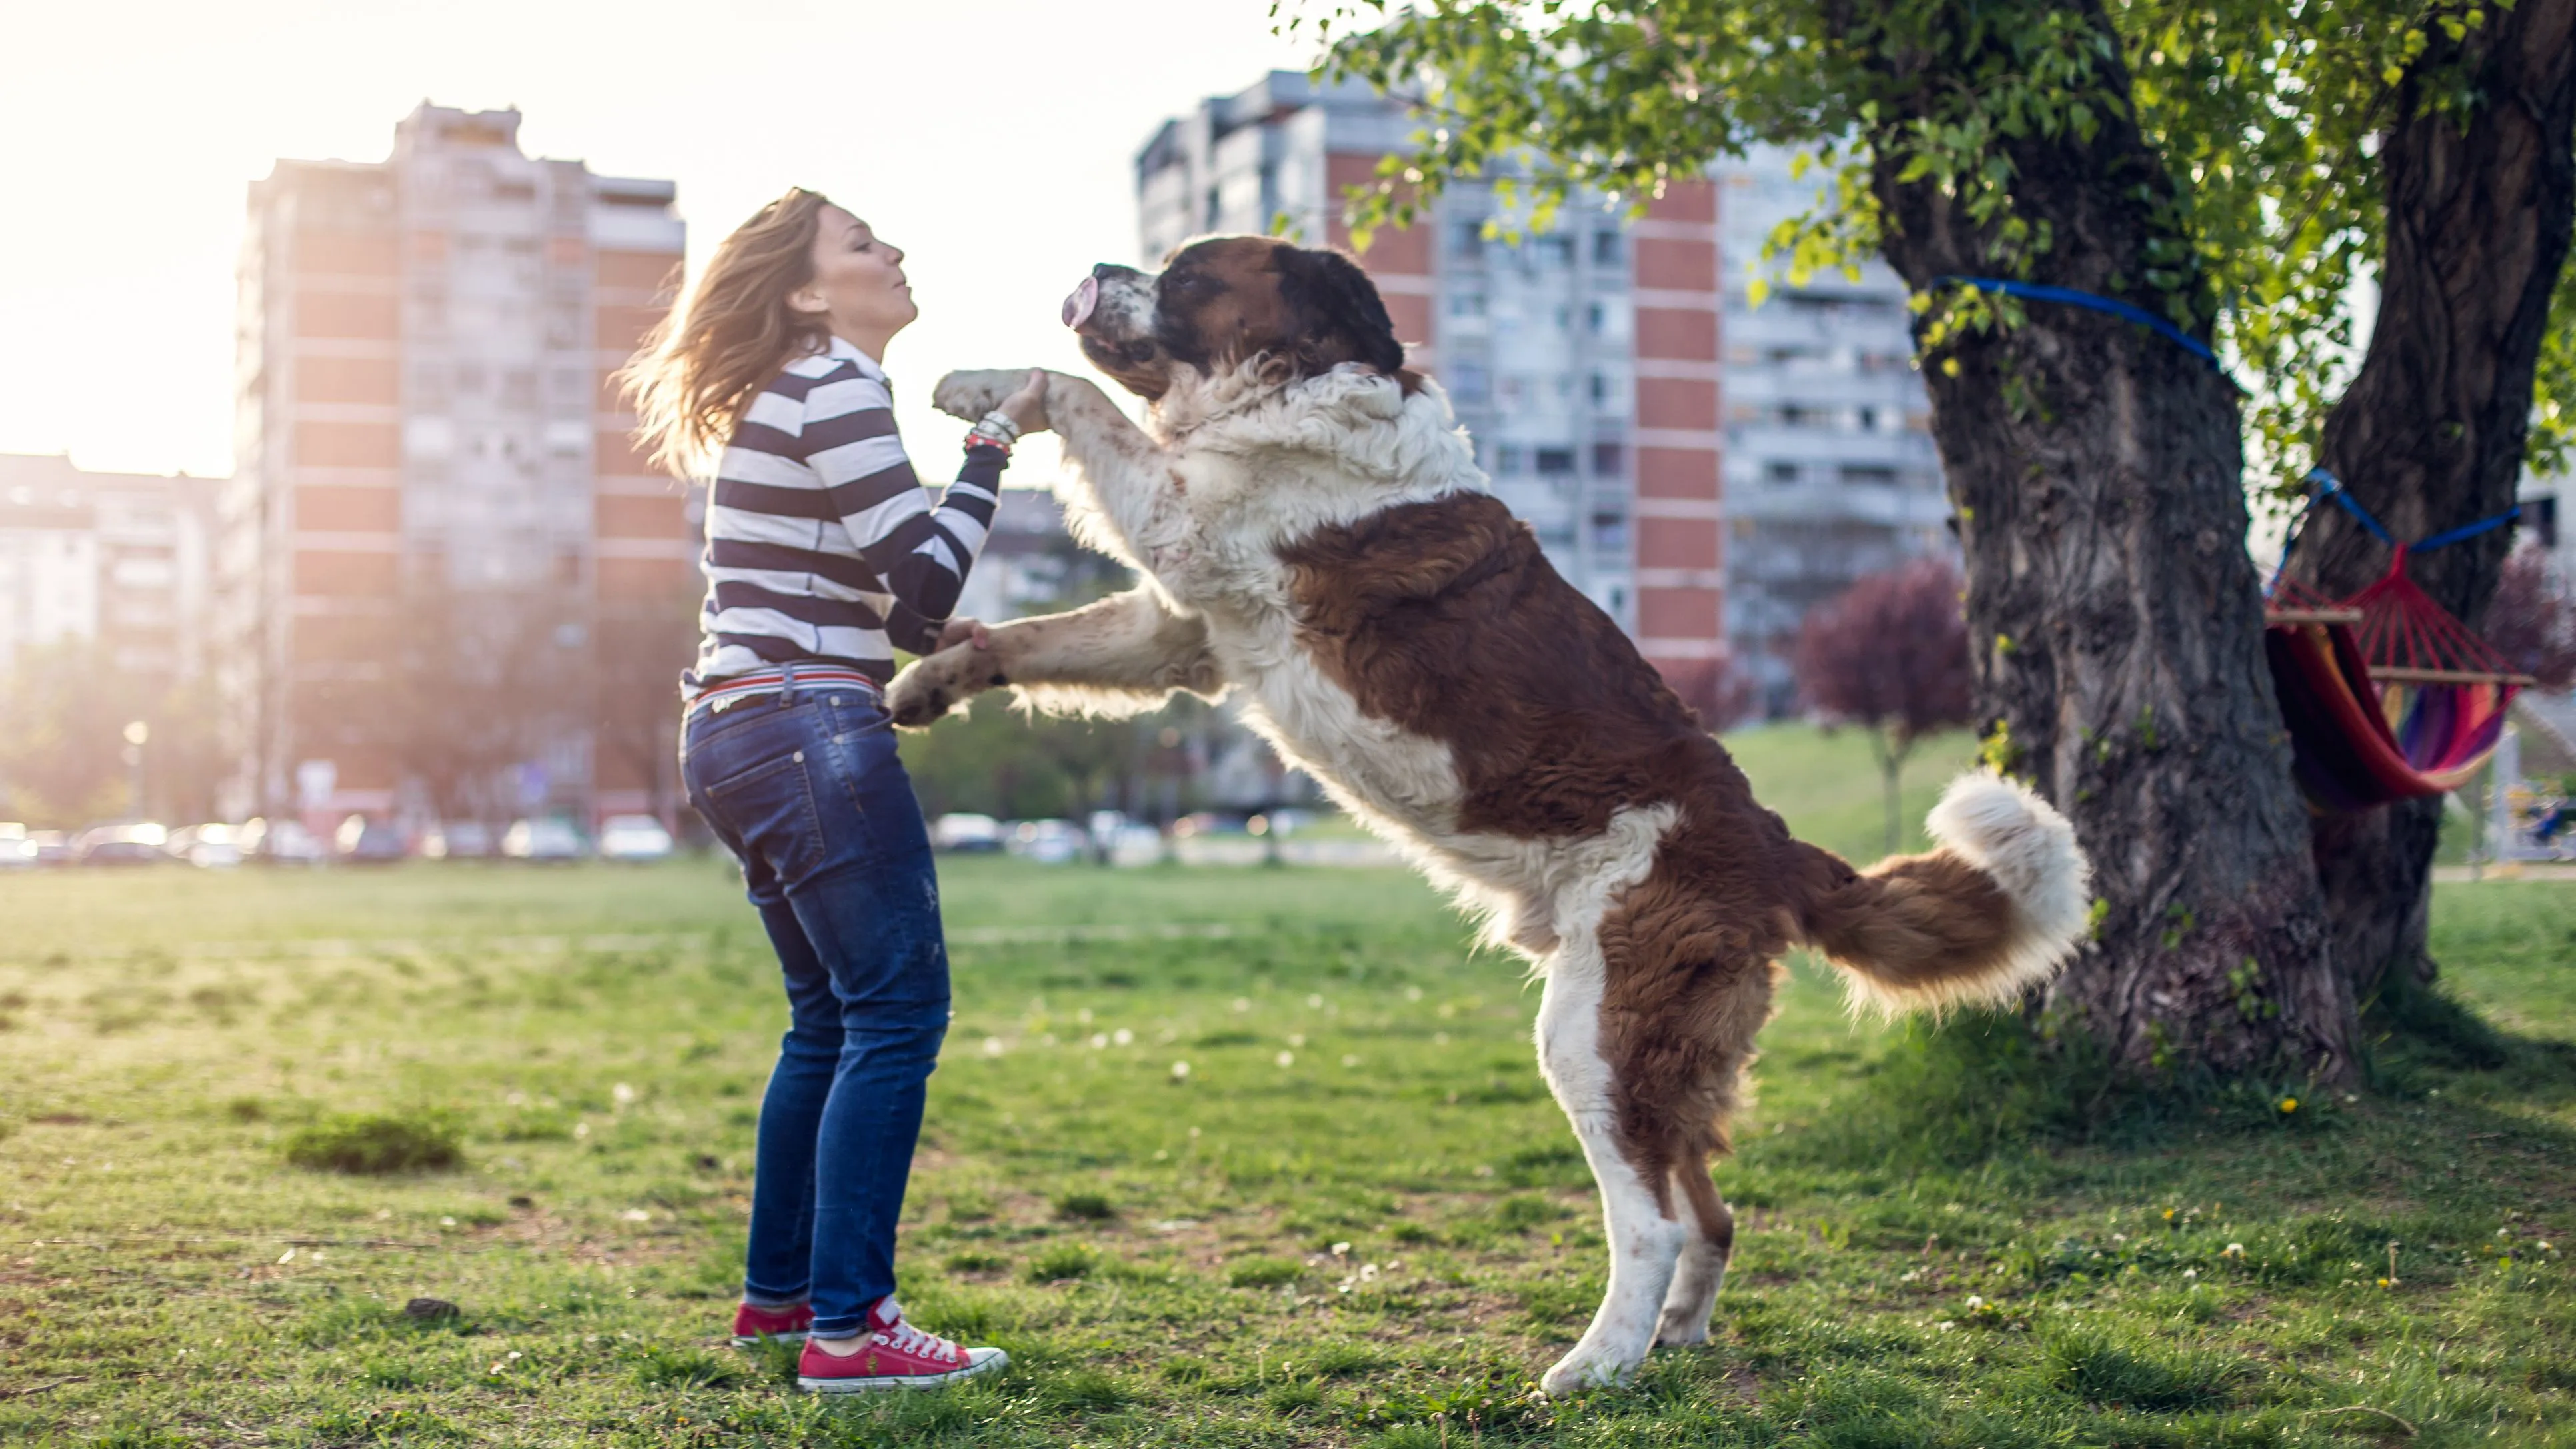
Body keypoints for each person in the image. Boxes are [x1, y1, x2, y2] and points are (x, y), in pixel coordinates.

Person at [623, 187, 1042, 1393]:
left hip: (736, 726)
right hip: (808, 726)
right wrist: (994, 443)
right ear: (809, 290)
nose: (895, 249)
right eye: (862, 242)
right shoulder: (835, 380)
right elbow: (917, 584)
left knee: (827, 1022)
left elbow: (883, 593)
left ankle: (783, 1300)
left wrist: (905, 611)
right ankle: (852, 1332)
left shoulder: (791, 391)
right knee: (896, 1015)